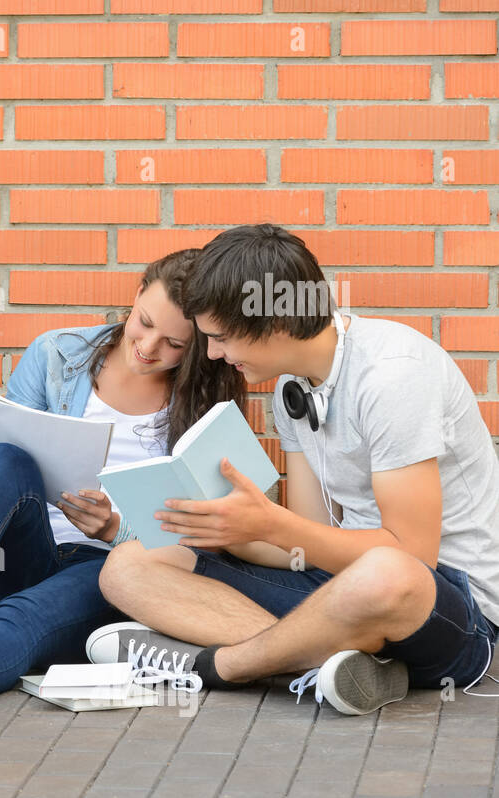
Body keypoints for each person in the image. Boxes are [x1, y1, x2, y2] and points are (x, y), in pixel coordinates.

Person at [97, 224, 499, 716]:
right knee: (129, 565)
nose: (214, 354)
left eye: (221, 338)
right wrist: (224, 530)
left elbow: (414, 557)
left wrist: (271, 523)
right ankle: (329, 666)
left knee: (385, 574)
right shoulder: (292, 386)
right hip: (341, 585)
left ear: (276, 325)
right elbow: (312, 543)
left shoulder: (394, 376)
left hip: (446, 602)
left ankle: (220, 667)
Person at [0, 249, 245, 721]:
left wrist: (115, 530)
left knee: (21, 619)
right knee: (3, 459)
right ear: (134, 297)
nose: (149, 346)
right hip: (20, 555)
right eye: (143, 321)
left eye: (174, 343)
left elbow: (200, 541)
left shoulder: (206, 402)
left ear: (201, 346)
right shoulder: (57, 354)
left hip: (108, 572)